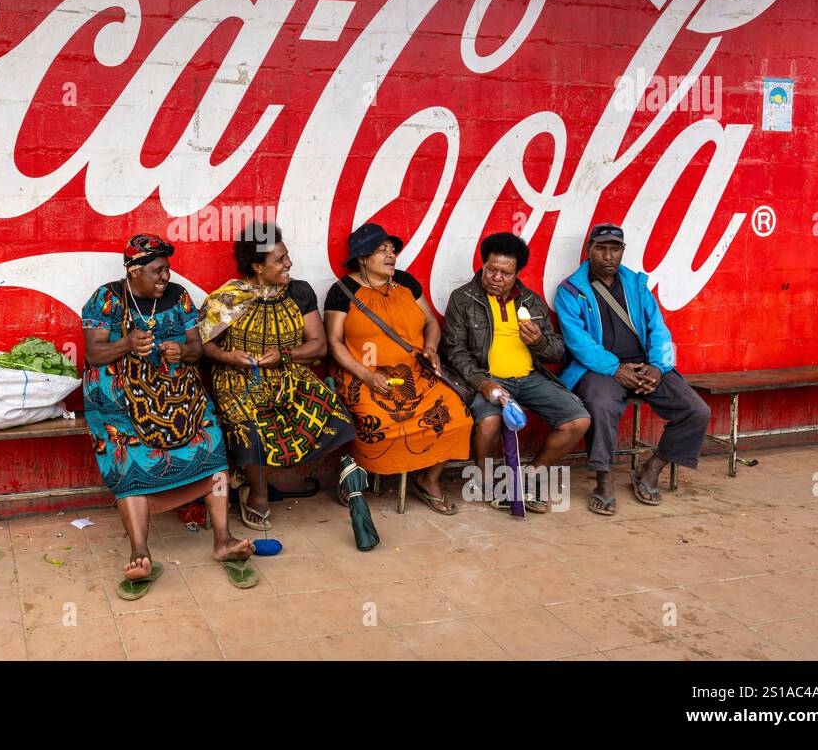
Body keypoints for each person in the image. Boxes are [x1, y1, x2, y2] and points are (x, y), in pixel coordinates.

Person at [81, 233, 257, 598]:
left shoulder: (179, 297)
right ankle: (140, 551)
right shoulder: (107, 299)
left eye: (167, 269)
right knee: (126, 451)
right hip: (122, 399)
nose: (165, 277)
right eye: (157, 270)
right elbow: (94, 355)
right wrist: (126, 344)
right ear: (134, 271)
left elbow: (197, 348)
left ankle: (223, 539)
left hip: (177, 395)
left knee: (211, 438)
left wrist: (182, 351)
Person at [200, 221, 363, 534]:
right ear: (257, 267)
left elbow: (318, 344)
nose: (288, 263)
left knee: (338, 417)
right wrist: (228, 356)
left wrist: (285, 355)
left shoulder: (298, 292)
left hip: (289, 373)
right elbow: (203, 346)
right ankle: (257, 493)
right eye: (279, 259)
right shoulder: (228, 299)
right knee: (251, 429)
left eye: (287, 256)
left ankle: (348, 480)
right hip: (239, 378)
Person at [556, 223, 712, 515]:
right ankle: (603, 479)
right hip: (600, 369)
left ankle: (651, 468)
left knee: (696, 410)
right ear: (589, 249)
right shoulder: (571, 290)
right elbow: (578, 342)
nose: (608, 256)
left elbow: (659, 329)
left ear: (622, 251)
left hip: (643, 364)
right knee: (600, 405)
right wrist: (615, 368)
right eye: (601, 248)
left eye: (615, 249)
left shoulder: (637, 285)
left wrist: (658, 367)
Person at [323, 223, 473, 513]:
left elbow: (430, 321)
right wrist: (366, 375)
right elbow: (334, 342)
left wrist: (431, 348)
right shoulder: (342, 291)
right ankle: (355, 474)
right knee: (375, 422)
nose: (391, 255)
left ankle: (428, 480)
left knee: (457, 415)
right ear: (362, 257)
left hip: (414, 373)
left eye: (392, 250)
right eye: (382, 250)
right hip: (363, 376)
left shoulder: (406, 282)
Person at [440, 232, 591, 513]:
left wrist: (539, 342)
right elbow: (454, 351)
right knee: (489, 422)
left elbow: (557, 351)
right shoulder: (463, 299)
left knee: (578, 420)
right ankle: (486, 480)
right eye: (491, 269)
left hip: (530, 379)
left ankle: (529, 477)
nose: (496, 277)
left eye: (505, 273)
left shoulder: (531, 301)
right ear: (483, 265)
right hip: (487, 378)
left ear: (517, 273)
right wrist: (483, 384)